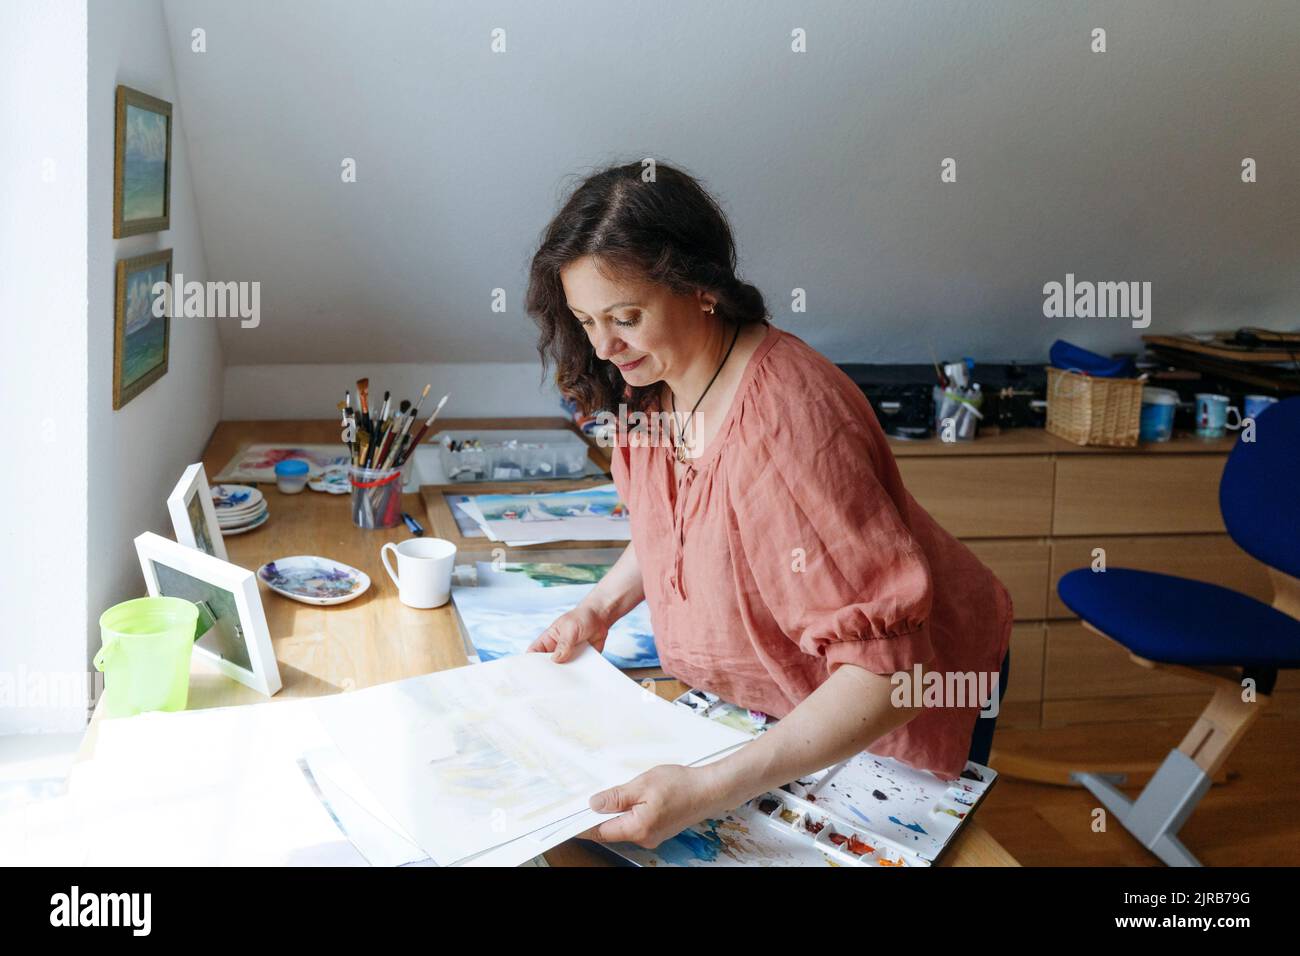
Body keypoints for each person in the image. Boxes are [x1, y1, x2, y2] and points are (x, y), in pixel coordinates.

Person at [524, 160, 1013, 850]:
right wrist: (599, 606)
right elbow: (678, 523)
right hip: (767, 707)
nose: (604, 347)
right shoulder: (649, 385)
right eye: (585, 321)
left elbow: (885, 675)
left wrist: (712, 786)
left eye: (625, 318)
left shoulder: (790, 424)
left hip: (879, 706)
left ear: (701, 289)